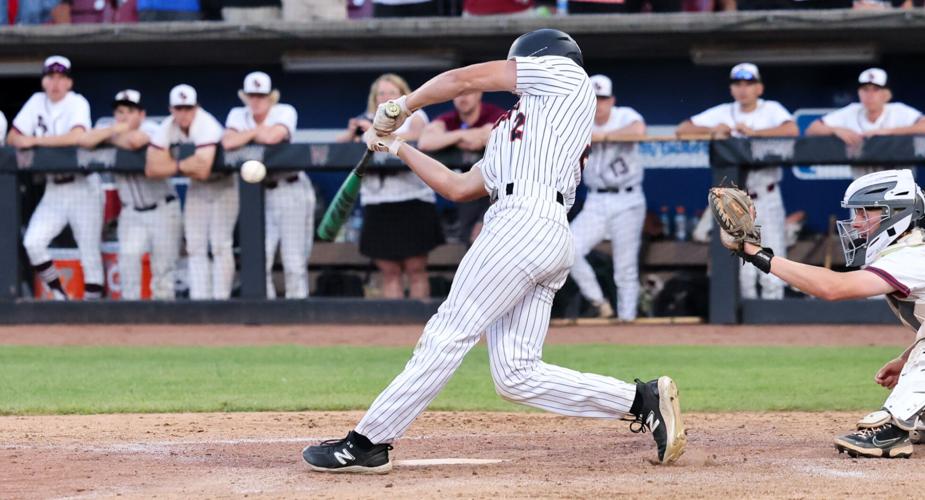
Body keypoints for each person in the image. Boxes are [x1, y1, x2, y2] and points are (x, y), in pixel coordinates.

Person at [302, 28, 687, 474]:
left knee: (448, 332)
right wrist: (398, 146)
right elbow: (459, 186)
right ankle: (640, 399)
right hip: (539, 228)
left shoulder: (566, 75)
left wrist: (401, 107)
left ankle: (368, 442)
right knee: (516, 374)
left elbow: (464, 79)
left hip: (523, 220)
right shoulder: (516, 128)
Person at [725, 169, 925, 458]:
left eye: (865, 213)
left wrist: (758, 254)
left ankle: (893, 430)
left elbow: (833, 287)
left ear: (895, 214)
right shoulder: (911, 248)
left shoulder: (912, 255)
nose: (856, 223)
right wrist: (907, 358)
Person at [677, 62, 798, 300]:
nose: (743, 89)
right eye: (738, 84)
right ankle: (748, 320)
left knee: (772, 260)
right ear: (732, 88)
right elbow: (682, 130)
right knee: (744, 268)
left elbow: (792, 130)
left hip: (766, 195)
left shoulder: (771, 109)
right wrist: (713, 131)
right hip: (735, 201)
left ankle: (773, 314)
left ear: (759, 88)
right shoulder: (723, 112)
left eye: (749, 84)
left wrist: (755, 135)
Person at [336, 73, 440, 300]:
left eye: (391, 93)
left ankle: (418, 320)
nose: (386, 97)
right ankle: (395, 321)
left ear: (402, 94)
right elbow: (338, 147)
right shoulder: (366, 119)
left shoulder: (415, 116)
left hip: (414, 199)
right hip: (378, 201)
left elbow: (417, 136)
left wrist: (377, 132)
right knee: (390, 271)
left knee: (415, 269)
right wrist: (354, 133)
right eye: (381, 93)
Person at [9, 56, 101, 300]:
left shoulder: (77, 102)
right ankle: (60, 296)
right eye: (50, 77)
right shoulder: (36, 102)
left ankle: (93, 311)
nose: (55, 83)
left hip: (83, 186)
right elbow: (13, 137)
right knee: (33, 242)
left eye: (61, 78)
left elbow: (76, 137)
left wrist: (34, 141)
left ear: (69, 82)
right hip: (54, 188)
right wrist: (24, 140)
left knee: (89, 253)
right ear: (43, 81)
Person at [79, 90, 181, 300]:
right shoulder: (110, 129)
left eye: (130, 111)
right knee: (128, 266)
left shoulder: (152, 127)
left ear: (142, 114)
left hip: (162, 209)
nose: (124, 116)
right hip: (131, 213)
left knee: (163, 272)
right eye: (120, 111)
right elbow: (85, 140)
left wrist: (110, 136)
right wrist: (114, 130)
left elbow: (135, 141)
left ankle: (164, 319)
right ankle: (130, 319)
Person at [222, 71, 314, 299]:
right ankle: (266, 309)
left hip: (291, 188)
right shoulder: (237, 114)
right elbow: (228, 142)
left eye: (261, 96)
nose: (256, 101)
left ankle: (297, 308)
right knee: (259, 257)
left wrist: (246, 135)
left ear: (270, 97)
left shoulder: (285, 111)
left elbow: (273, 137)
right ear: (245, 97)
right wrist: (256, 131)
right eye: (252, 96)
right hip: (260, 193)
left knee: (294, 259)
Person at [569, 74, 647, 321]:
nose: (598, 104)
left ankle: (627, 320)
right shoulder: (577, 120)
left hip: (627, 200)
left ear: (611, 100)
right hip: (596, 201)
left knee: (625, 268)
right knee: (567, 250)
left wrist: (602, 136)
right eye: (593, 98)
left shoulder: (625, 115)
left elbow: (638, 130)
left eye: (602, 98)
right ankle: (599, 301)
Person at [146, 84, 231, 300]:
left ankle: (221, 301)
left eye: (188, 108)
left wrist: (170, 164)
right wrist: (183, 165)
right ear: (171, 110)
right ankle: (200, 299)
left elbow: (203, 169)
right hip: (197, 186)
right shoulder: (167, 126)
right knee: (194, 245)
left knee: (220, 245)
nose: (184, 113)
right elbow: (151, 168)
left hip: (224, 184)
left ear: (196, 108)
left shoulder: (206, 123)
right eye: (179, 108)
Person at [417, 90, 504, 244]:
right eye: (459, 93)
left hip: (498, 188)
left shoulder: (493, 114)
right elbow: (425, 142)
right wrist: (461, 135)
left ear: (479, 94)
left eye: (469, 92)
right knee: (470, 239)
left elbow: (490, 135)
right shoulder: (450, 119)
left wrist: (452, 139)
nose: (463, 98)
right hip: (469, 188)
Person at [806, 68, 925, 179]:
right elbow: (812, 129)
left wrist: (888, 132)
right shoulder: (852, 111)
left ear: (887, 94)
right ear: (859, 93)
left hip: (900, 185)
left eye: (875, 89)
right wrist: (836, 130)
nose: (869, 95)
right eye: (865, 89)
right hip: (863, 185)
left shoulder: (898, 110)